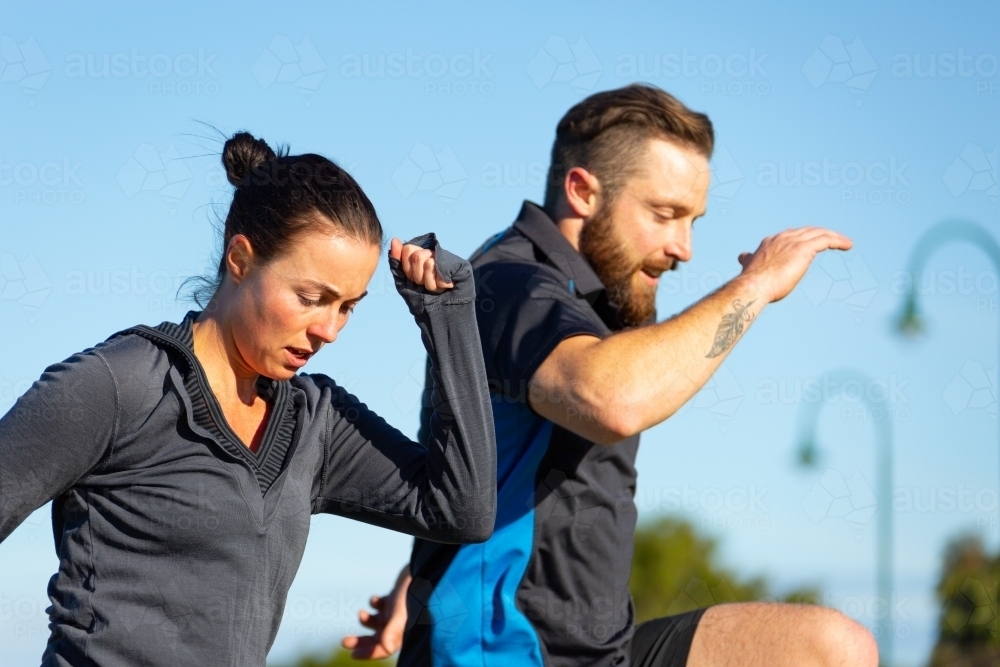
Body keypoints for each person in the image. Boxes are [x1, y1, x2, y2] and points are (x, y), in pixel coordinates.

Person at [345, 85, 879, 667]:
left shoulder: (588, 303)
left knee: (830, 650)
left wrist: (419, 573)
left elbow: (493, 462)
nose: (685, 248)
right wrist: (756, 287)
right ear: (582, 191)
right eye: (665, 214)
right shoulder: (510, 282)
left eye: (694, 220)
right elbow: (611, 399)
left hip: (602, 653)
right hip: (505, 656)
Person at [0, 132, 497, 667]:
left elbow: (461, 510)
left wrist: (449, 316)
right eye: (311, 298)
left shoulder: (316, 422)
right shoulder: (118, 386)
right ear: (240, 258)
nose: (330, 329)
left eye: (348, 306)